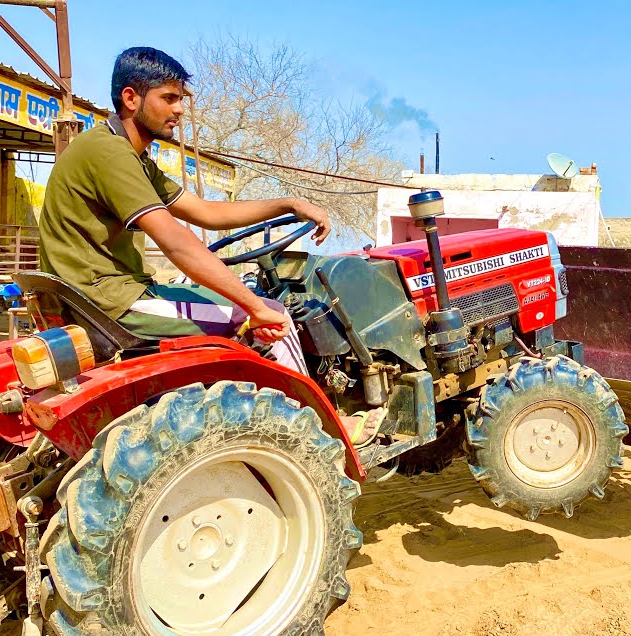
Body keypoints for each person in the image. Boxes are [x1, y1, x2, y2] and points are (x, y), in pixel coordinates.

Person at [39, 47, 383, 440]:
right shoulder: (109, 153)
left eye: (180, 99)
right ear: (131, 98)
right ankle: (318, 433)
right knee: (275, 316)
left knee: (241, 308)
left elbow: (204, 212)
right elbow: (176, 242)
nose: (180, 110)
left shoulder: (128, 156)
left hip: (99, 292)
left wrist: (287, 203)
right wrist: (256, 307)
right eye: (168, 98)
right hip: (110, 298)